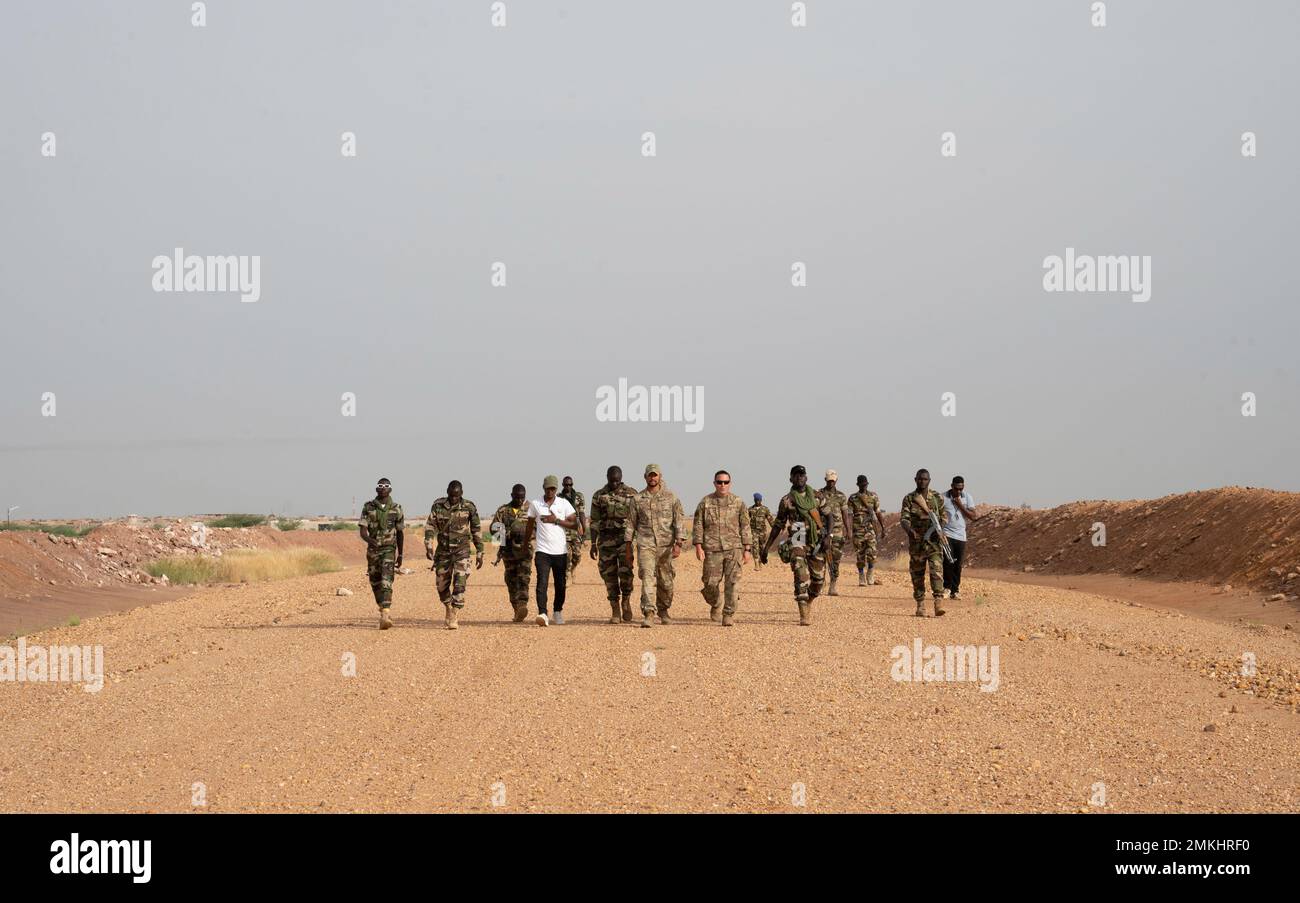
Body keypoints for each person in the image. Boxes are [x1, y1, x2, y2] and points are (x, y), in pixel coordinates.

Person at [761, 465, 850, 626]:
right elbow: (777, 525)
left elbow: (829, 517)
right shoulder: (787, 500)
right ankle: (803, 612)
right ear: (791, 479)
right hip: (797, 536)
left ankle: (809, 599)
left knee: (818, 581)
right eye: (796, 475)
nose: (799, 478)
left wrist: (828, 536)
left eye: (802, 475)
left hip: (817, 539)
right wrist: (766, 548)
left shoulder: (817, 497)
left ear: (806, 478)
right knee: (800, 572)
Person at [624, 463, 685, 628]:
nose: (652, 478)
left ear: (660, 477)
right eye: (650, 475)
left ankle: (663, 610)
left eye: (655, 475)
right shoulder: (637, 499)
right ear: (645, 477)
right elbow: (631, 524)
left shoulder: (671, 498)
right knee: (647, 577)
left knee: (666, 581)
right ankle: (649, 613)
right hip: (646, 544)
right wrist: (628, 547)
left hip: (666, 546)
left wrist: (679, 543)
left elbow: (679, 521)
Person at [692, 470, 752, 626]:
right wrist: (698, 547)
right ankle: (717, 603)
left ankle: (728, 614)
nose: (722, 485)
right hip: (712, 550)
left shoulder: (738, 502)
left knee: (732, 583)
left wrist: (747, 549)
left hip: (734, 549)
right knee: (710, 584)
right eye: (719, 482)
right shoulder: (705, 502)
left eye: (725, 482)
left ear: (730, 483)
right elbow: (698, 526)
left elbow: (745, 526)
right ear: (714, 483)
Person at [424, 481, 484, 629]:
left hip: (462, 551)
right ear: (447, 492)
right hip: (443, 551)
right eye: (451, 495)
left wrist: (480, 551)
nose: (454, 498)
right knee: (441, 585)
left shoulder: (469, 507)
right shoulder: (438, 505)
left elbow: (476, 529)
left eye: (456, 496)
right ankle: (448, 607)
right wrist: (429, 544)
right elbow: (430, 525)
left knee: (460, 582)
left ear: (461, 493)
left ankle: (454, 613)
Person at [524, 475, 577, 626]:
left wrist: (557, 520)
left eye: (553, 489)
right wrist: (525, 544)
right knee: (542, 582)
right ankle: (542, 613)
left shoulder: (563, 503)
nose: (550, 491)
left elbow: (575, 524)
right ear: (544, 488)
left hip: (560, 551)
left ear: (556, 489)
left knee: (560, 584)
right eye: (548, 489)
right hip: (542, 551)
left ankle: (557, 611)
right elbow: (529, 526)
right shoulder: (536, 504)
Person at [589, 466, 638, 623]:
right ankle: (615, 608)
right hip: (606, 541)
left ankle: (626, 600)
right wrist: (593, 544)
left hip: (625, 541)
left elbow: (637, 518)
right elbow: (595, 521)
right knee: (608, 574)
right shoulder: (599, 495)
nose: (614, 483)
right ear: (607, 478)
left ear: (621, 478)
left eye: (617, 480)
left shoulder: (632, 494)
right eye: (612, 480)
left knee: (626, 572)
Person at [900, 469, 948, 618]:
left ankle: (938, 602)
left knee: (937, 571)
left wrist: (938, 528)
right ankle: (920, 605)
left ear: (929, 480)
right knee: (917, 574)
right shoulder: (909, 498)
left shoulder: (937, 498)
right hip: (917, 544)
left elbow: (944, 517)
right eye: (920, 479)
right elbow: (904, 519)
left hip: (934, 543)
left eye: (925, 479)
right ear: (915, 480)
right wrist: (910, 531)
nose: (922, 481)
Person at [358, 477, 404, 629]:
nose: (383, 488)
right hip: (373, 551)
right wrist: (369, 540)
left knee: (386, 580)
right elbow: (363, 530)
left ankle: (385, 612)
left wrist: (401, 554)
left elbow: (400, 533)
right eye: (380, 485)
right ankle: (382, 608)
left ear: (390, 489)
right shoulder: (368, 507)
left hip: (389, 550)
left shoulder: (397, 508)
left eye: (386, 486)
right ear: (376, 489)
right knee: (375, 582)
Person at [490, 484, 533, 622]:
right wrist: (507, 534)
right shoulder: (503, 511)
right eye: (517, 497)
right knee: (511, 580)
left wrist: (526, 534)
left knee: (523, 577)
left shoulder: (531, 509)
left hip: (525, 551)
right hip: (508, 552)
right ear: (511, 495)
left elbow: (539, 528)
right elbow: (494, 531)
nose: (520, 500)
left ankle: (522, 604)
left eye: (522, 497)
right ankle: (516, 609)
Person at [942, 475, 977, 601]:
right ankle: (946, 588)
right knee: (947, 561)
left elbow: (973, 516)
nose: (958, 491)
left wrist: (960, 505)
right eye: (956, 488)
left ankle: (955, 591)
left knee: (958, 564)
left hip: (961, 536)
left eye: (960, 489)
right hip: (947, 534)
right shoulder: (943, 497)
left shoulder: (967, 497)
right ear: (951, 486)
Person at [848, 475, 887, 586]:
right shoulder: (852, 498)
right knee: (860, 554)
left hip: (870, 529)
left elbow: (878, 512)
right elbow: (850, 515)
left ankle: (870, 572)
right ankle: (861, 576)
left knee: (872, 553)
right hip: (858, 529)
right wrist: (849, 530)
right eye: (862, 484)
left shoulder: (873, 496)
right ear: (858, 485)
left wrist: (883, 527)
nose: (864, 486)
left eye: (865, 484)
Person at [820, 469, 849, 595]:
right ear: (825, 479)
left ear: (836, 480)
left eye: (833, 480)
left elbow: (845, 514)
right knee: (821, 558)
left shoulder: (841, 496)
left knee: (835, 559)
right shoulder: (819, 494)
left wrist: (849, 530)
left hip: (837, 531)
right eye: (829, 480)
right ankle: (820, 583)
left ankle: (833, 584)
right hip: (822, 530)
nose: (831, 482)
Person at [560, 476, 587, 578]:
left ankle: (572, 569)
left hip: (575, 530)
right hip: (563, 530)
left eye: (570, 485)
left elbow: (582, 513)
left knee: (577, 556)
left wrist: (584, 528)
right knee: (566, 554)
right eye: (566, 485)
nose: (568, 486)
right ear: (563, 485)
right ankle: (566, 576)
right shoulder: (558, 498)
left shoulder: (578, 496)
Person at [748, 493, 774, 572]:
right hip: (753, 531)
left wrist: (775, 528)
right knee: (755, 546)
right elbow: (745, 520)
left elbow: (770, 519)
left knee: (762, 547)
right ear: (754, 500)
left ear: (761, 500)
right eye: (756, 500)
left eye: (759, 500)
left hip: (762, 532)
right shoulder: (750, 510)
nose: (757, 502)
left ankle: (760, 563)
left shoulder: (765, 509)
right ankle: (756, 564)